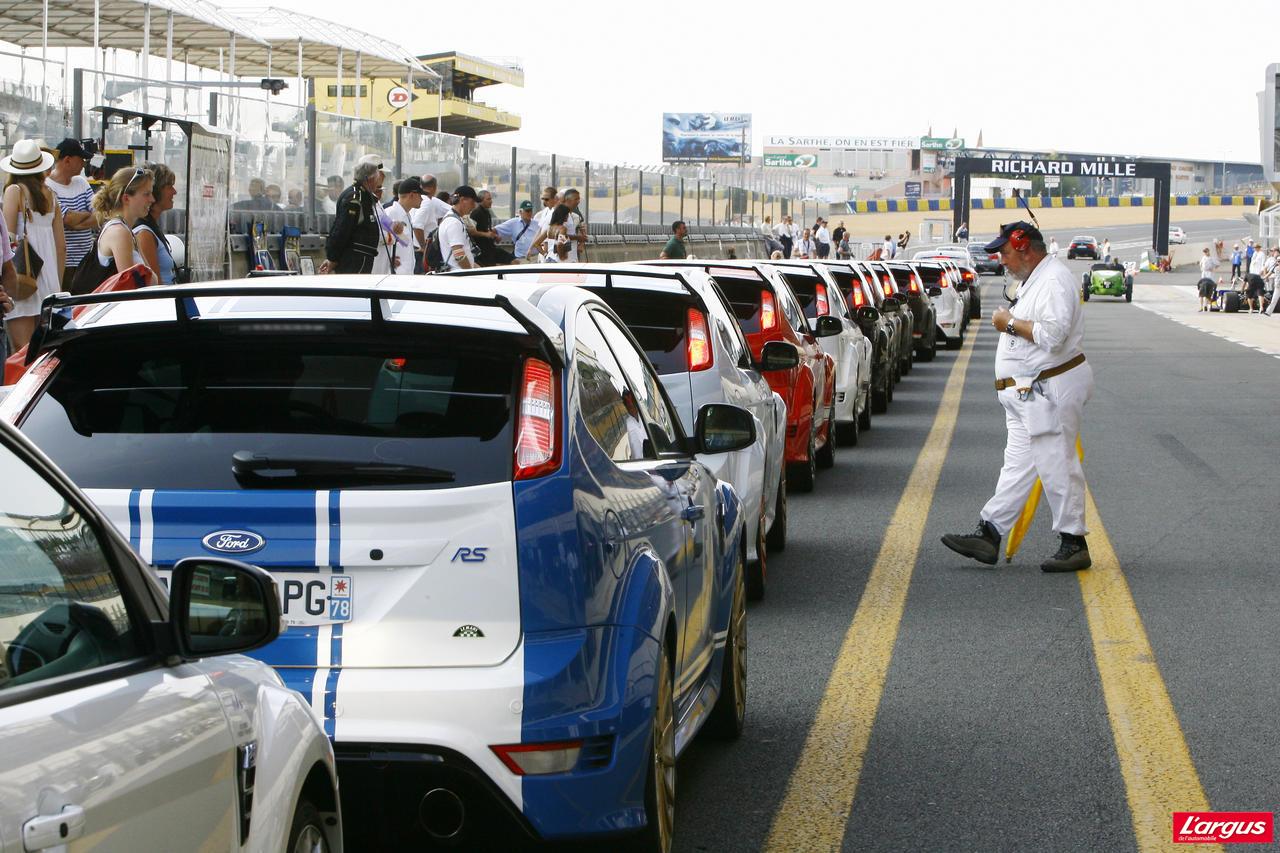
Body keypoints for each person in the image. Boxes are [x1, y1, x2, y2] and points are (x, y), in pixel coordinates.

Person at [941, 221, 1094, 573]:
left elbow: (1052, 336)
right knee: (1017, 466)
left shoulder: (1053, 280)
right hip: (1030, 393)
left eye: (1005, 253)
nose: (1002, 261)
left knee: (1057, 463)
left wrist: (1007, 323)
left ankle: (1074, 542)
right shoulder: (1037, 278)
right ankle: (991, 532)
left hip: (1048, 390)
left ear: (1025, 248)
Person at [2, 140, 65, 351]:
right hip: (50, 281)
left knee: (22, 352)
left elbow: (7, 239)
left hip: (22, 278)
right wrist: (58, 283)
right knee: (43, 352)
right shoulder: (52, 196)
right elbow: (61, 246)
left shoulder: (14, 191)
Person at [83, 165, 157, 295]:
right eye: (146, 194)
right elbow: (130, 290)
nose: (152, 199)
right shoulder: (119, 232)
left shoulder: (127, 230)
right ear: (126, 198)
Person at [46, 138, 96, 289]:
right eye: (81, 159)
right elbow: (67, 219)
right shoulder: (47, 187)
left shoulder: (82, 182)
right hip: (63, 264)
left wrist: (76, 222)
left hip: (87, 261)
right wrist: (86, 215)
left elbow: (100, 214)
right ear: (67, 160)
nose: (83, 163)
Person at [320, 160, 383, 274]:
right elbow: (342, 229)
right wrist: (333, 258)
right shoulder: (355, 198)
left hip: (362, 257)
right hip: (355, 258)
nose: (378, 183)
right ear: (370, 179)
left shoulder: (362, 196)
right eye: (377, 178)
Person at [133, 162, 179, 285]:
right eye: (169, 186)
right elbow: (154, 286)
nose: (174, 192)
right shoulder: (144, 233)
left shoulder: (151, 227)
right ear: (156, 190)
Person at [383, 176, 423, 275]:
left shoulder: (407, 215)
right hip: (394, 276)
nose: (422, 199)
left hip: (405, 274)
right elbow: (379, 241)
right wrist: (387, 260)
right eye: (420, 195)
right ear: (412, 195)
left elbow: (404, 243)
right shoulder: (390, 213)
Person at [439, 185, 480, 271]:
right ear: (462, 200)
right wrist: (470, 272)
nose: (474, 206)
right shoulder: (453, 222)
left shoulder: (453, 219)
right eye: (472, 202)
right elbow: (458, 254)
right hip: (460, 276)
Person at [468, 189, 503, 266]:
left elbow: (487, 229)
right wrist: (486, 235)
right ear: (481, 200)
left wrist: (494, 236)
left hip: (489, 248)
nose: (491, 201)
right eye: (488, 199)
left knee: (513, 261)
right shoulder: (476, 213)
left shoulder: (487, 212)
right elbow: (471, 232)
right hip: (482, 250)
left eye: (491, 199)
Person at [562, 189, 587, 261]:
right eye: (575, 199)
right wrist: (577, 238)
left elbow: (583, 229)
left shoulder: (577, 215)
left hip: (573, 254)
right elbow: (557, 235)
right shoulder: (557, 213)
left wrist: (581, 244)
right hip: (561, 257)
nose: (578, 202)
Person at [1244, 244, 1267, 312]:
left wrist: (1261, 271)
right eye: (1254, 248)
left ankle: (1261, 307)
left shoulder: (1262, 254)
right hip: (1252, 274)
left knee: (1259, 292)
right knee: (1251, 292)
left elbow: (1263, 264)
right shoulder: (1254, 254)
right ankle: (1251, 308)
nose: (1255, 248)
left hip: (1257, 273)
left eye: (1256, 247)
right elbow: (1251, 263)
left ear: (1259, 247)